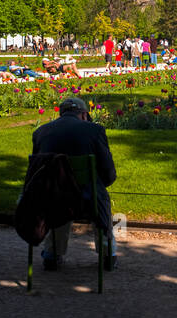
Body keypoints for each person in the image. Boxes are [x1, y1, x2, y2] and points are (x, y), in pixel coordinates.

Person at [31, 97, 118, 271]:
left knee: (59, 199)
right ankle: (108, 254)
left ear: (61, 113)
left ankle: (51, 254)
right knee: (100, 199)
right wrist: (103, 184)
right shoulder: (95, 130)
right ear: (84, 114)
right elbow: (108, 170)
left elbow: (35, 171)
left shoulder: (41, 132)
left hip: (54, 196)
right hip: (88, 197)